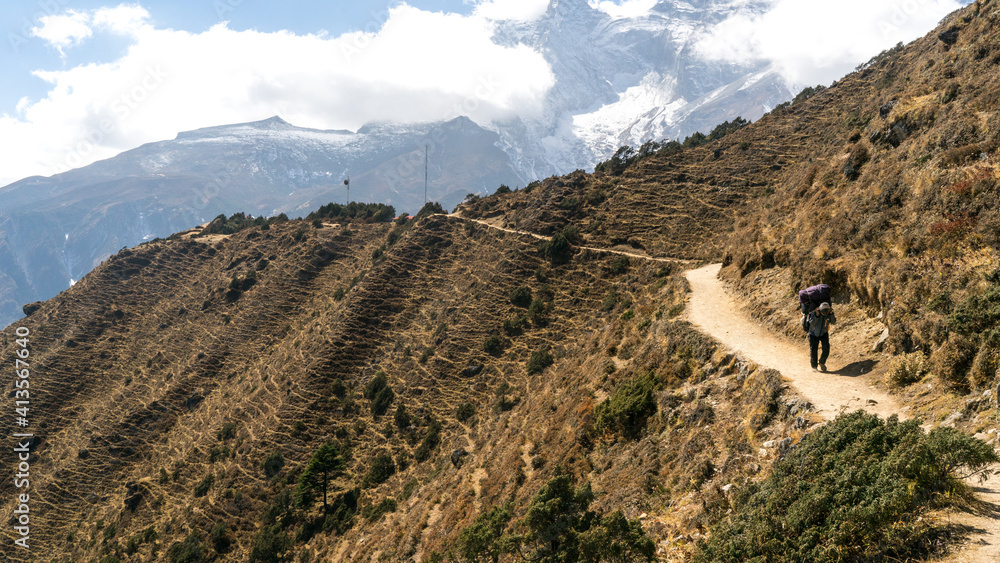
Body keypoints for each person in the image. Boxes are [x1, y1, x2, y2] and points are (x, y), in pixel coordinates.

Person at [806, 302, 836, 371]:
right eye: (823, 311)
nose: (825, 313)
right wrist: (816, 315)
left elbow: (834, 322)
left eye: (826, 311)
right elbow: (812, 323)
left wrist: (831, 314)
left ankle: (822, 362)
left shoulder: (829, 313)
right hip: (813, 334)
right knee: (814, 349)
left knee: (826, 348)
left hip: (824, 333)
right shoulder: (815, 313)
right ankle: (814, 366)